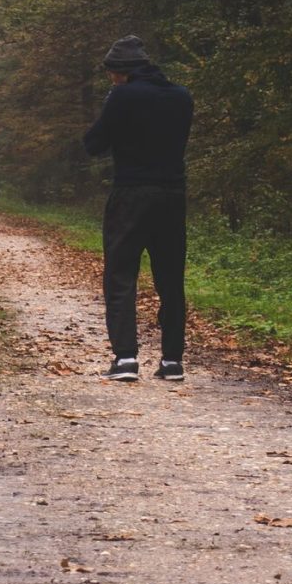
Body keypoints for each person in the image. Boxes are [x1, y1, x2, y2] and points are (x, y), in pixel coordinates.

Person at [82, 35, 193, 381]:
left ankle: (126, 359)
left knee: (120, 275)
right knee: (171, 278)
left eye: (113, 74)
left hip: (131, 194)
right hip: (173, 196)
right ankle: (173, 360)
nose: (112, 79)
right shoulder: (182, 97)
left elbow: (94, 144)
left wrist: (114, 107)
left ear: (122, 71)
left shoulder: (123, 95)